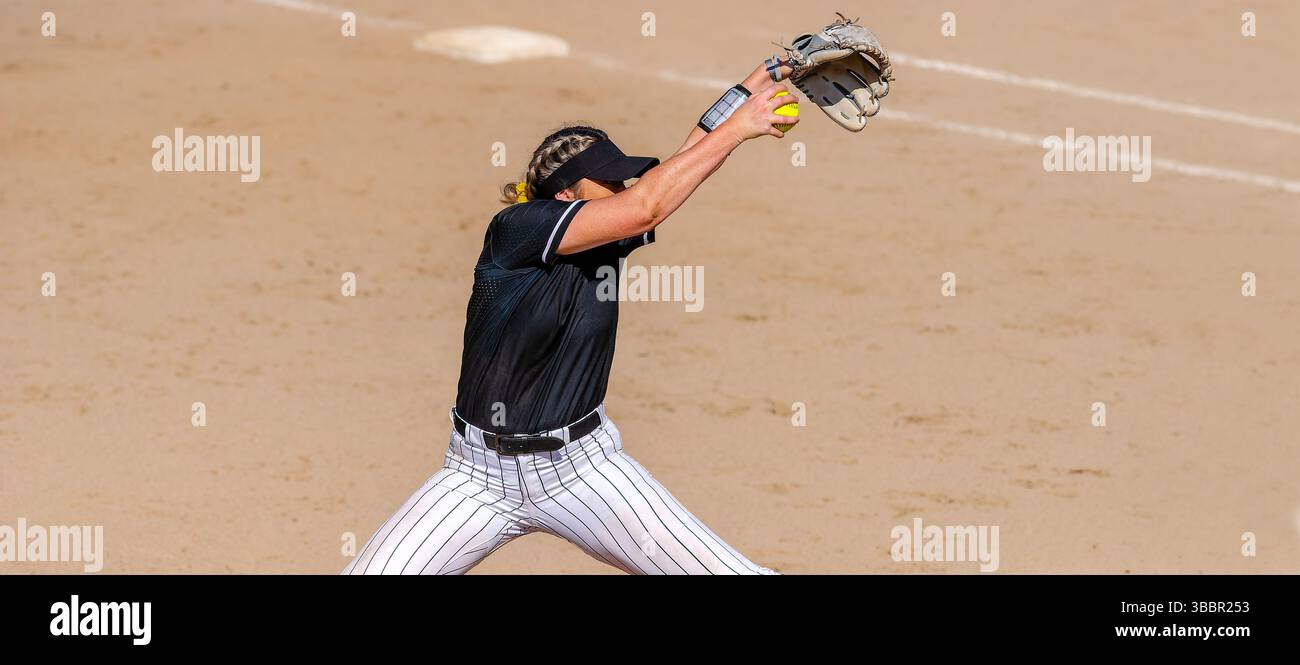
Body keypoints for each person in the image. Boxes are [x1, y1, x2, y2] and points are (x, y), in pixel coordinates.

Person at [345, 59, 798, 575]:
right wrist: (741, 127)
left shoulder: (605, 227)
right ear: (564, 195)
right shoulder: (518, 229)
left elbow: (681, 166)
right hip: (476, 478)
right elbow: (647, 206)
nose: (621, 187)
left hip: (583, 471)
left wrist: (762, 77)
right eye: (606, 181)